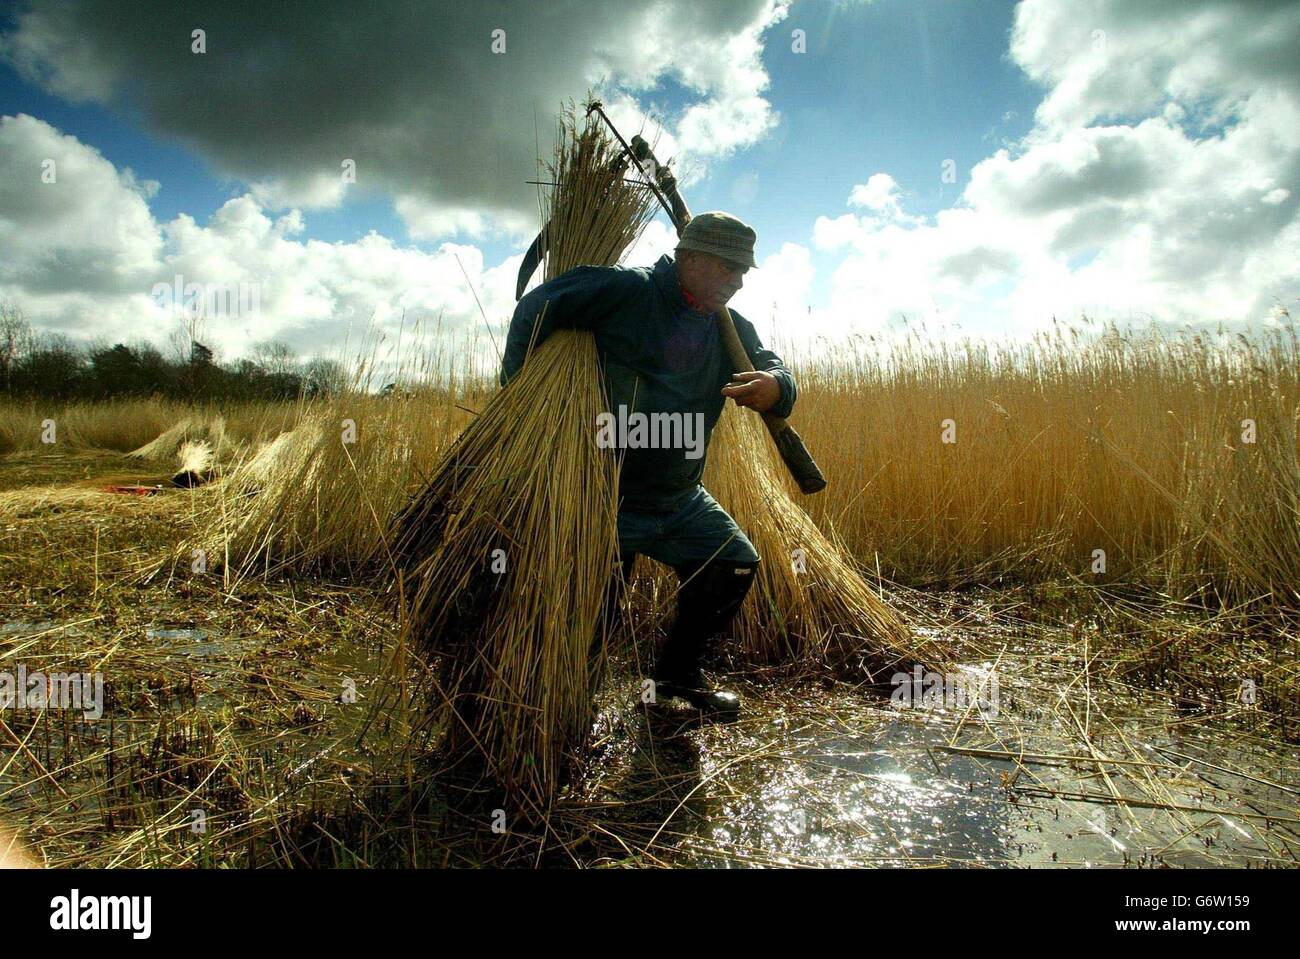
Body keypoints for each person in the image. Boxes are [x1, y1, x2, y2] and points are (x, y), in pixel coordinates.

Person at [500, 211, 797, 718]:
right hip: (602, 491)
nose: (738, 279)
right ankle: (567, 702)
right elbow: (536, 305)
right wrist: (521, 398)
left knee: (732, 563)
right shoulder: (626, 291)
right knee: (599, 608)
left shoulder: (727, 326)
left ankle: (675, 678)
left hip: (678, 497)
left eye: (743, 270)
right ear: (688, 258)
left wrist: (776, 386)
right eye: (727, 266)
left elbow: (773, 366)